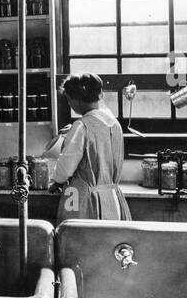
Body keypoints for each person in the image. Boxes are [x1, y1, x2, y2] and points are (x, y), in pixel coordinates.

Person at [45, 72, 132, 222]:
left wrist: (57, 181)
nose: (69, 104)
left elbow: (65, 168)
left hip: (81, 198)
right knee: (108, 241)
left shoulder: (81, 126)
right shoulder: (114, 124)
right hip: (112, 198)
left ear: (75, 99)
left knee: (75, 239)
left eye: (68, 99)